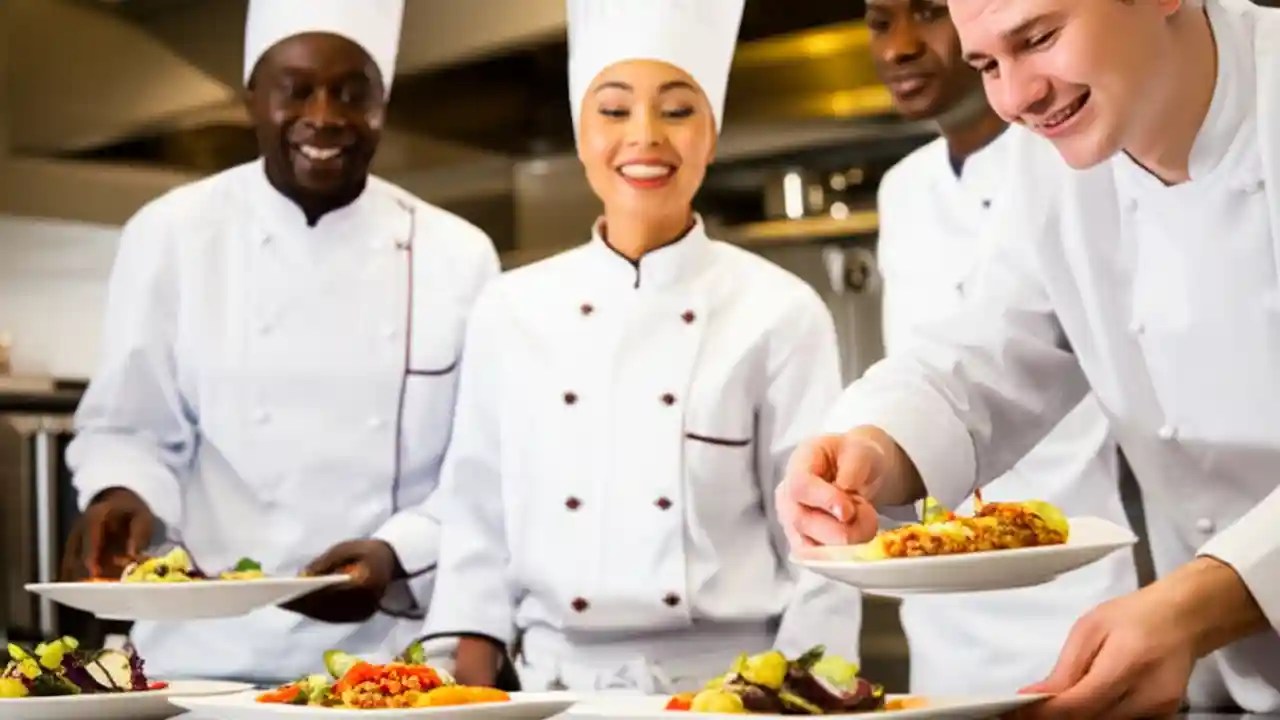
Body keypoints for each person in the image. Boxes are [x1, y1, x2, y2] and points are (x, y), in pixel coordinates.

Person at [778, 0, 1280, 716]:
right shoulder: (1058, 159)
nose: (1016, 99)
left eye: (1039, 38)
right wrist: (870, 450)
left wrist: (1196, 605)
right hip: (1234, 688)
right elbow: (985, 352)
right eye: (986, 63)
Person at [421, 0, 862, 693]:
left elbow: (821, 543)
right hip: (550, 693)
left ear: (711, 136)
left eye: (679, 110)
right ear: (580, 133)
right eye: (615, 109)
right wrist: (457, 680)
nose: (646, 136)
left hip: (733, 692)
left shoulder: (779, 312)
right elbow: (476, 514)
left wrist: (806, 689)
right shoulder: (511, 309)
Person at [61, 0, 499, 683]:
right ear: (252, 100)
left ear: (384, 102)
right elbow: (130, 426)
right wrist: (122, 493)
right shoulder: (172, 233)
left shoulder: (458, 255)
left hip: (388, 658)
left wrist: (392, 555)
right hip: (203, 658)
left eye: (353, 92)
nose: (323, 116)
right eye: (295, 89)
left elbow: (479, 470)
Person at [864, 0, 1138, 696]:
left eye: (927, 14)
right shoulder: (903, 188)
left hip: (1073, 586)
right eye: (878, 20)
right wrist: (869, 449)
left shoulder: (1081, 145)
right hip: (939, 610)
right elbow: (969, 367)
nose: (899, 46)